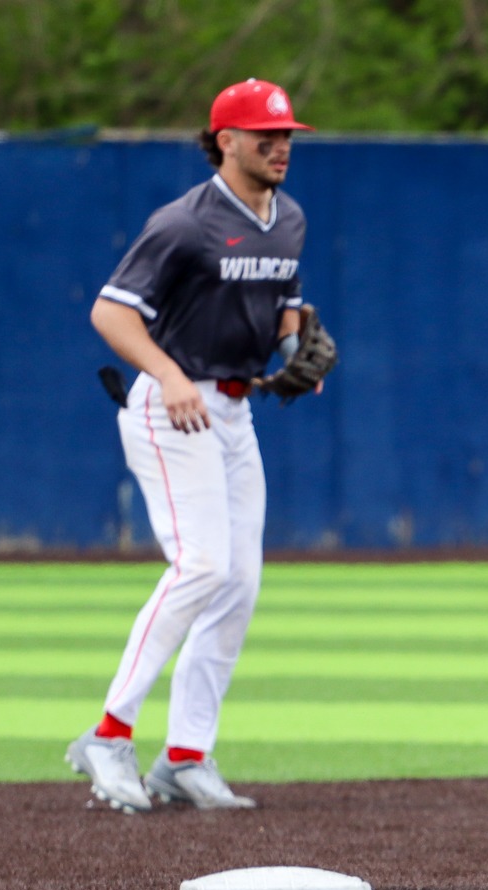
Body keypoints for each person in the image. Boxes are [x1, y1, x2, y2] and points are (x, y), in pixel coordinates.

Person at [65, 79, 317, 813]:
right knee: (201, 565)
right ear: (225, 140)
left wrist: (299, 346)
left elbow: (287, 304)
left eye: (286, 134)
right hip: (171, 408)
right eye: (264, 134)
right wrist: (171, 375)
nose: (280, 146)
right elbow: (110, 314)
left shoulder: (288, 218)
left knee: (238, 582)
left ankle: (185, 755)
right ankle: (108, 735)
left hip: (235, 412)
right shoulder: (185, 222)